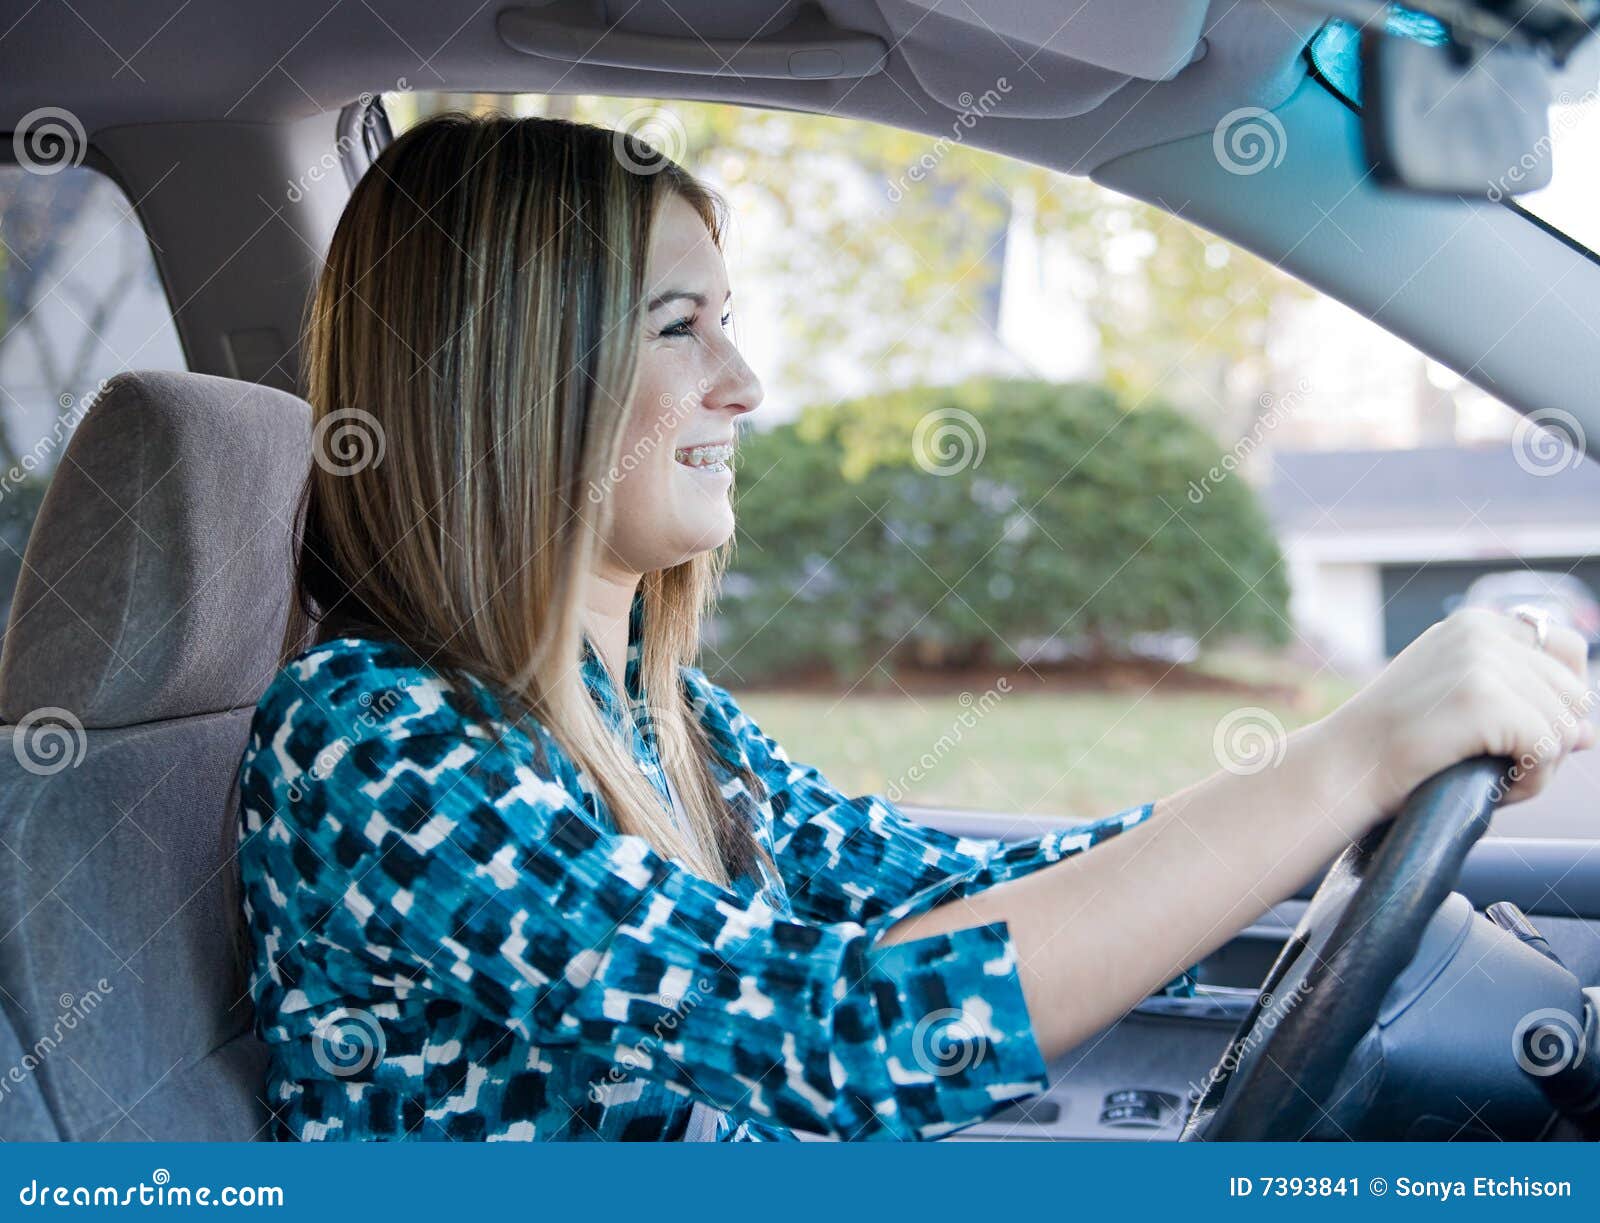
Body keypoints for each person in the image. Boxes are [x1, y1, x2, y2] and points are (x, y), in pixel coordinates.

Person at [235, 112, 1594, 1142]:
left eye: (729, 323)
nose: (745, 383)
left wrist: (1347, 775)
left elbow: (941, 890)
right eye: (678, 328)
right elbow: (837, 1039)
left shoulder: (657, 713)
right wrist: (1352, 760)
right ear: (518, 375)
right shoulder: (372, 741)